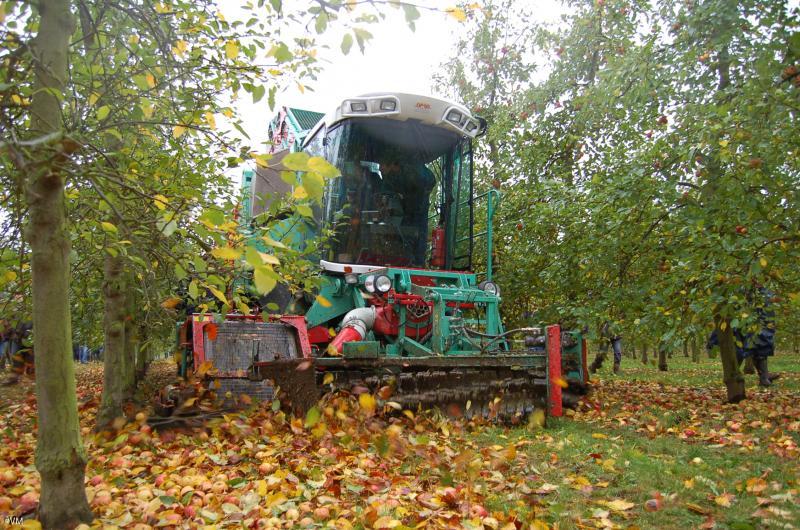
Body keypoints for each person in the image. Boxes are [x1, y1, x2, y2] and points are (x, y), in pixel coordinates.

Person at [707, 287, 779, 387]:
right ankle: (733, 378)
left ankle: (764, 376)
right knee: (739, 348)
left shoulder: (761, 292)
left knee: (760, 345)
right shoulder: (741, 289)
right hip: (742, 320)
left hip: (755, 319)